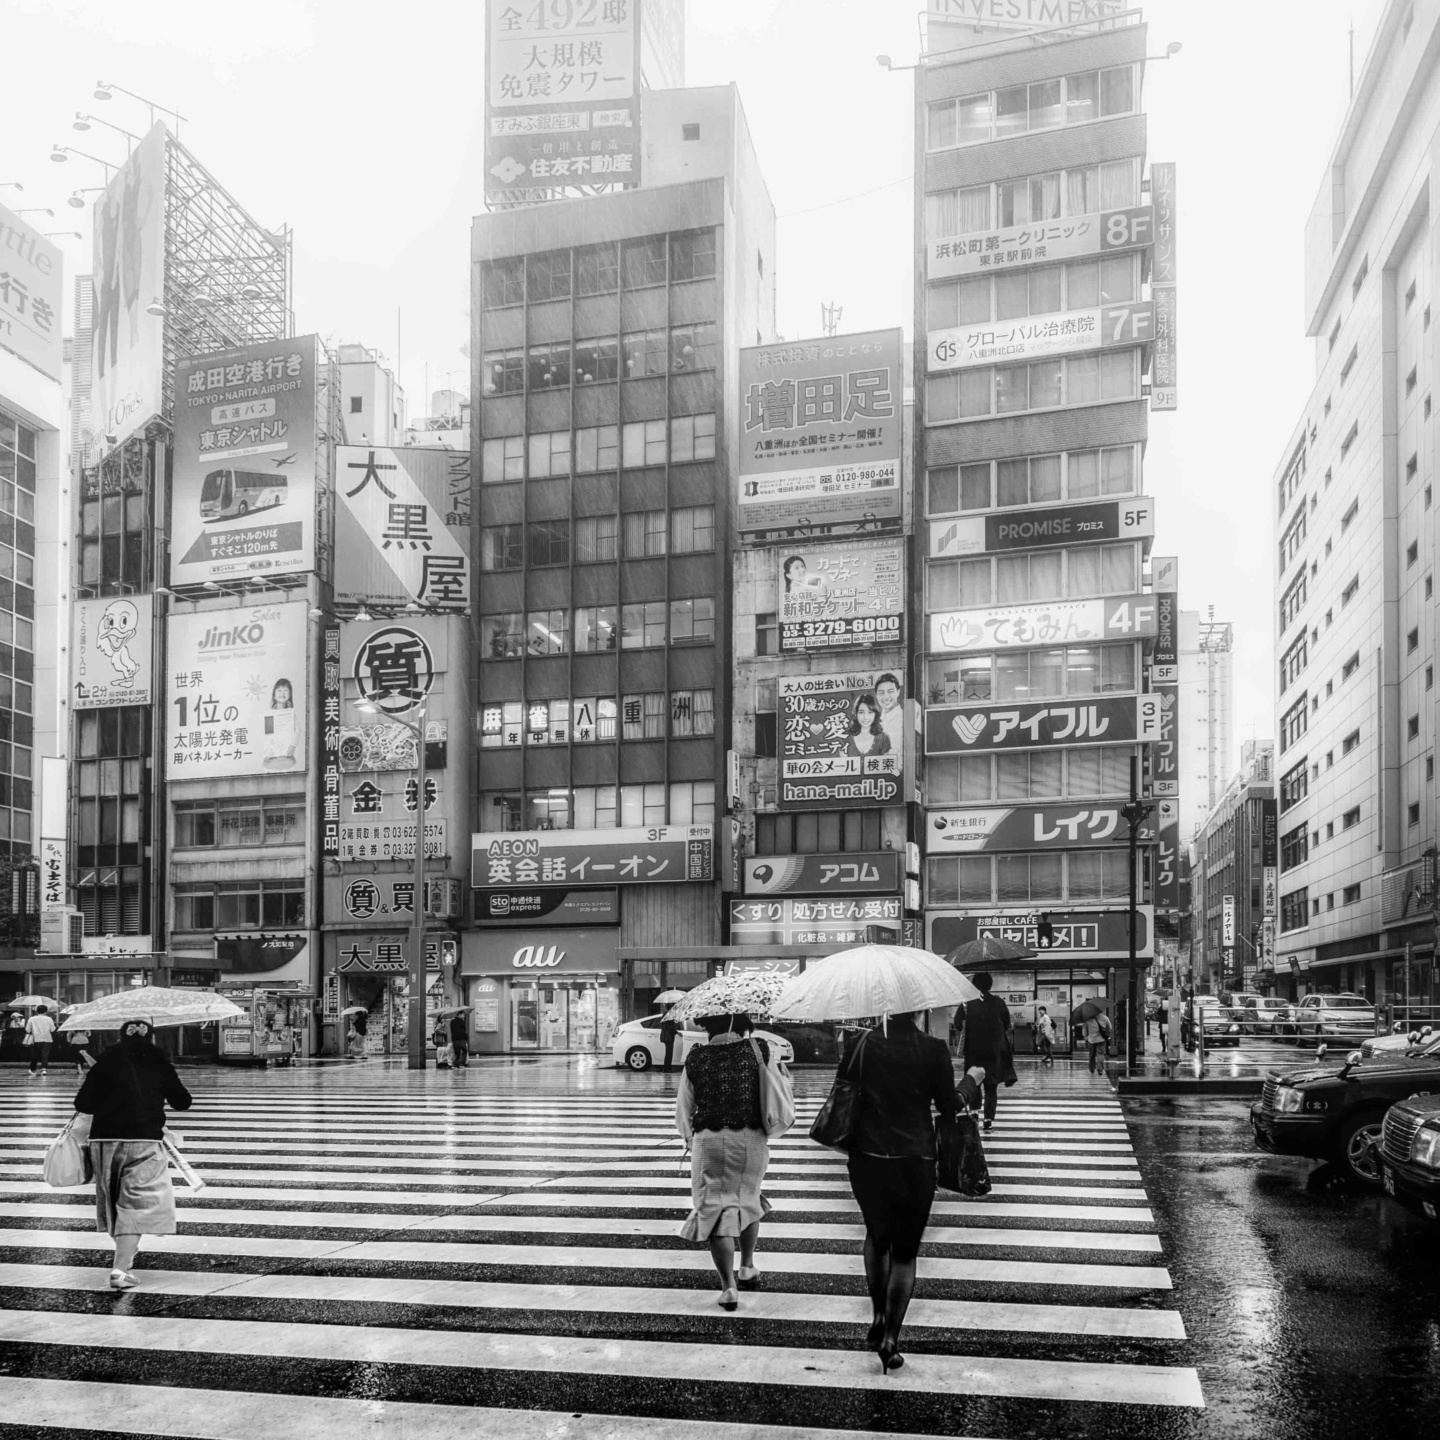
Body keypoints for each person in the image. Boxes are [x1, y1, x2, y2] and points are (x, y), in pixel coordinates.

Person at [834, 1011, 970, 1373]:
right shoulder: (933, 1048)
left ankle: (878, 1315)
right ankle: (891, 1340)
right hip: (916, 1158)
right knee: (905, 1252)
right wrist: (971, 1082)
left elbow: (843, 1092)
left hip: (867, 1156)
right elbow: (948, 1107)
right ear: (919, 1010)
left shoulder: (860, 1044)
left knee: (877, 1238)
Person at [74, 1018, 193, 1291]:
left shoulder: (105, 1063)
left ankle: (125, 1253)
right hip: (143, 1142)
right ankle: (120, 1269)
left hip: (104, 1141)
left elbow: (83, 1103)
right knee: (135, 1204)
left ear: (121, 1037)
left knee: (114, 1201)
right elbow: (182, 1102)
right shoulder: (159, 1064)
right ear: (151, 1038)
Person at [677, 1012, 772, 1311]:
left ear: (708, 1025)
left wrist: (689, 1139)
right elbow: (772, 1091)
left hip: (709, 1141)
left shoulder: (697, 1057)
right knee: (747, 1199)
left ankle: (728, 1287)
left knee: (715, 1210)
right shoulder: (758, 1049)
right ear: (742, 1023)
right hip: (751, 1138)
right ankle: (747, 1266)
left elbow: (683, 1108)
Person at [960, 973, 1013, 1132]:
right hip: (994, 1052)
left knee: (974, 1084)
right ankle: (988, 1121)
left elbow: (958, 1024)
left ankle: (974, 1116)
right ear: (990, 984)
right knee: (991, 1088)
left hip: (973, 1052)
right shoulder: (999, 1002)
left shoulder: (967, 1003)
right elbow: (1006, 1023)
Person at [875, 673, 905, 756]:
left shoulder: (904, 719)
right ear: (876, 695)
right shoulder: (874, 722)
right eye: (881, 692)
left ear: (898, 692)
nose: (886, 697)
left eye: (890, 692)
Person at [25, 1004, 55, 1076]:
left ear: (37, 1011)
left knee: (35, 1055)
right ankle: (44, 1069)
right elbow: (53, 1029)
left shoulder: (31, 1019)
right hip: (47, 1039)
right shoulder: (49, 1019)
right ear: (46, 1011)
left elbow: (27, 1030)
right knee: (45, 1054)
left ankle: (32, 1069)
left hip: (35, 1039)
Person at [1083, 1008, 1113, 1074]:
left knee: (1092, 1055)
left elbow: (1085, 1029)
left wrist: (1086, 1037)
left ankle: (1092, 1069)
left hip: (1091, 1040)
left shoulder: (1087, 1018)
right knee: (1100, 1054)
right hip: (1101, 1039)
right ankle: (1100, 1069)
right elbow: (1110, 1027)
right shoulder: (1105, 1018)